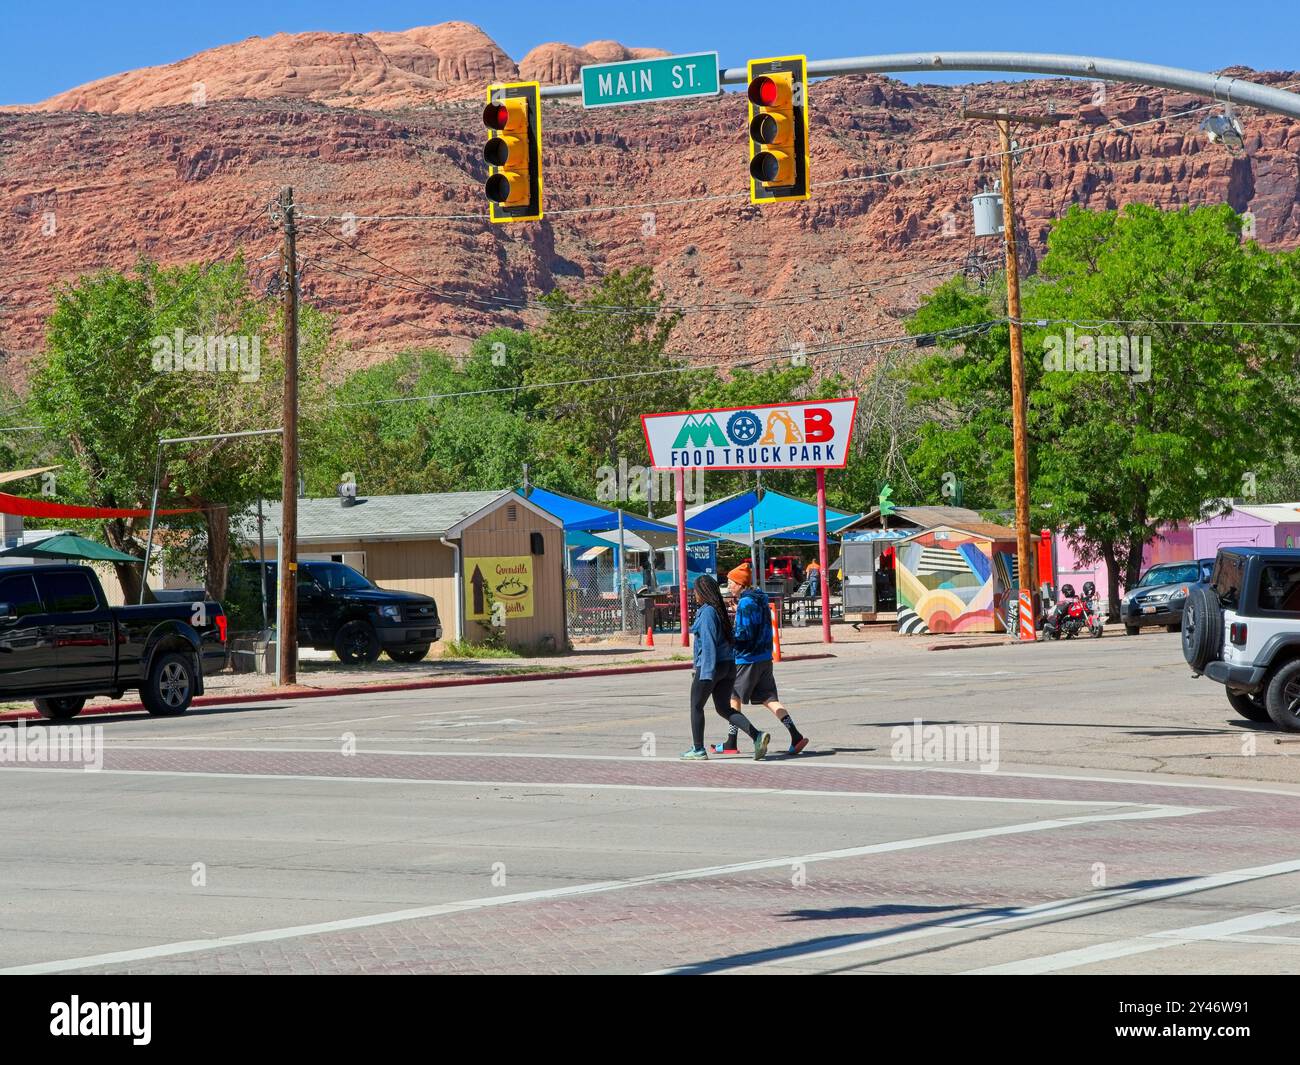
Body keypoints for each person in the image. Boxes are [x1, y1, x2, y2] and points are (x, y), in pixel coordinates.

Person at [714, 561, 809, 756]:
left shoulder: (746, 603)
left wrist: (728, 635)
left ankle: (732, 742)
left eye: (731, 582)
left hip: (747, 658)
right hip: (765, 656)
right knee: (769, 699)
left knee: (734, 698)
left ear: (741, 584)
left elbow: (745, 633)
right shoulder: (760, 600)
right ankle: (796, 735)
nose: (729, 586)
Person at [681, 574, 771, 761]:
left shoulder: (706, 613)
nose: (694, 594)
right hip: (728, 666)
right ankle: (757, 735)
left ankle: (698, 749)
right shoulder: (718, 610)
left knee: (696, 706)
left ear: (702, 592)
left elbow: (708, 643)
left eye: (695, 591)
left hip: (710, 667)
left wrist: (705, 672)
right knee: (723, 708)